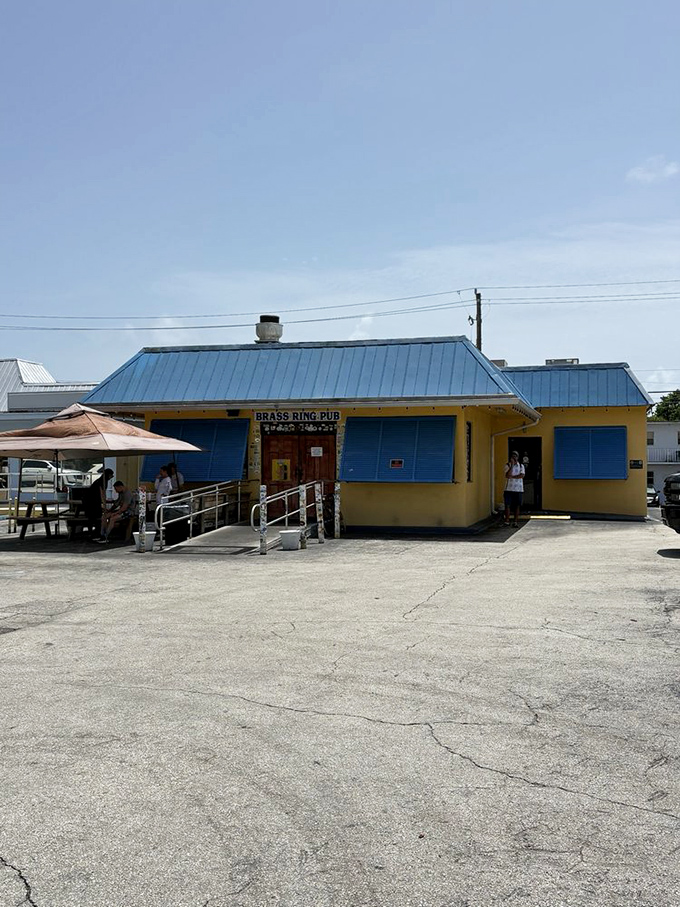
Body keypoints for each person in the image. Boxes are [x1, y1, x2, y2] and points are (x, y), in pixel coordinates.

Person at [503, 450, 525, 528]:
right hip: (508, 488)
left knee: (517, 505)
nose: (514, 457)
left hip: (518, 489)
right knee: (507, 505)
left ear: (518, 457)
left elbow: (521, 475)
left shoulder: (521, 466)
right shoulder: (507, 465)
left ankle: (515, 521)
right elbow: (507, 475)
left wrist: (513, 477)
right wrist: (512, 465)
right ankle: (507, 521)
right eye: (513, 456)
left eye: (516, 456)